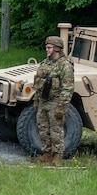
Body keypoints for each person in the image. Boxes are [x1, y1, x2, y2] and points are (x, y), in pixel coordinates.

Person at [30, 36, 74, 166]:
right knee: (43, 129)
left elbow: (68, 88)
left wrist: (61, 106)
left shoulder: (65, 66)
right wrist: (36, 99)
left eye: (49, 47)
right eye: (47, 47)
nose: (47, 50)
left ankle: (57, 157)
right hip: (43, 100)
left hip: (56, 101)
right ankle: (47, 154)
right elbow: (38, 83)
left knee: (56, 130)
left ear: (57, 49)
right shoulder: (45, 63)